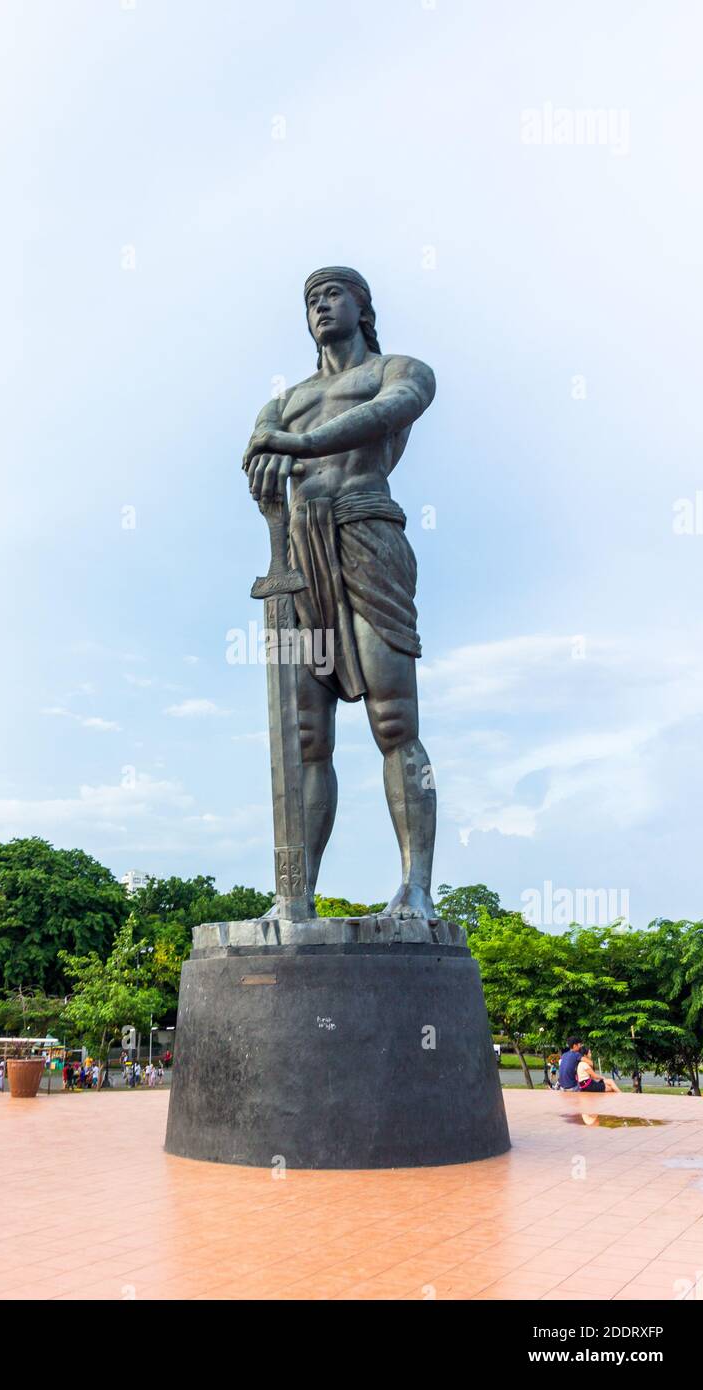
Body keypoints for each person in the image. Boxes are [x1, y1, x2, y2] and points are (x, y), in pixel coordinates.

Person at [242, 267, 437, 918]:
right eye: (311, 300)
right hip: (300, 553)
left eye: (333, 295)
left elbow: (391, 411)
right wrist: (268, 475)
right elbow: (258, 461)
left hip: (366, 530)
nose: (321, 307)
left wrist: (296, 446)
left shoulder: (397, 370)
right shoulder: (283, 403)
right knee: (305, 734)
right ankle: (293, 896)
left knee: (394, 717)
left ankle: (415, 887)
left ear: (362, 307)